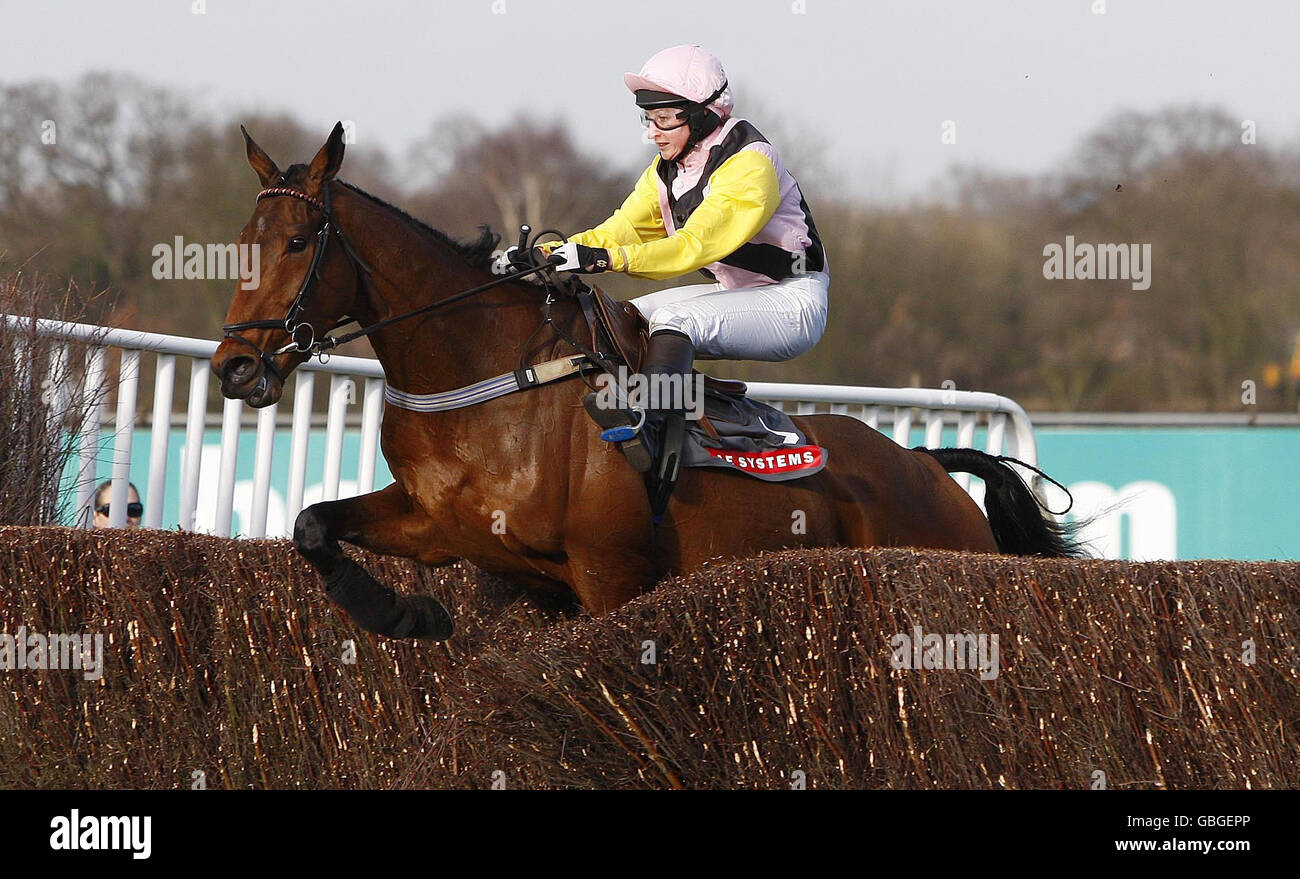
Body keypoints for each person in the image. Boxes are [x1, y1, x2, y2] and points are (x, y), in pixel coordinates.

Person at [542, 44, 829, 472]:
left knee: (677, 321)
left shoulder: (749, 164)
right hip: (738, 296)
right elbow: (618, 230)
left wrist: (606, 259)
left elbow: (691, 247)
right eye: (648, 118)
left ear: (701, 115)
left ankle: (653, 426)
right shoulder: (666, 170)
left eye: (664, 118)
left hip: (792, 302)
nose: (653, 132)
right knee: (620, 318)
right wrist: (546, 255)